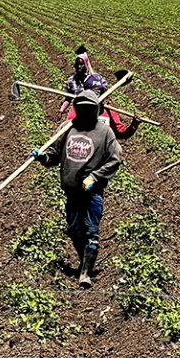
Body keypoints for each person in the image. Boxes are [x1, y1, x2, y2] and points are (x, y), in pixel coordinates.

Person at [33, 90, 121, 288]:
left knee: (91, 231)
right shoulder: (67, 129)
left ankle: (85, 273)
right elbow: (53, 156)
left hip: (92, 192)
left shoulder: (104, 132)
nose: (84, 112)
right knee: (74, 230)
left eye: (88, 108)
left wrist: (95, 177)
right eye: (80, 108)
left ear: (95, 109)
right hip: (71, 191)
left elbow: (116, 159)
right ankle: (84, 261)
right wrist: (43, 157)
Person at [65, 74, 140, 141]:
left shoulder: (109, 113)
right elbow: (68, 130)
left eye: (98, 93)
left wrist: (134, 124)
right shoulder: (77, 110)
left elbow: (120, 133)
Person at [59, 47, 93, 115]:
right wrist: (61, 111)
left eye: (81, 64)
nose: (79, 66)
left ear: (86, 65)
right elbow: (68, 98)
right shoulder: (71, 81)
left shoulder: (94, 80)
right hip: (78, 110)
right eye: (78, 64)